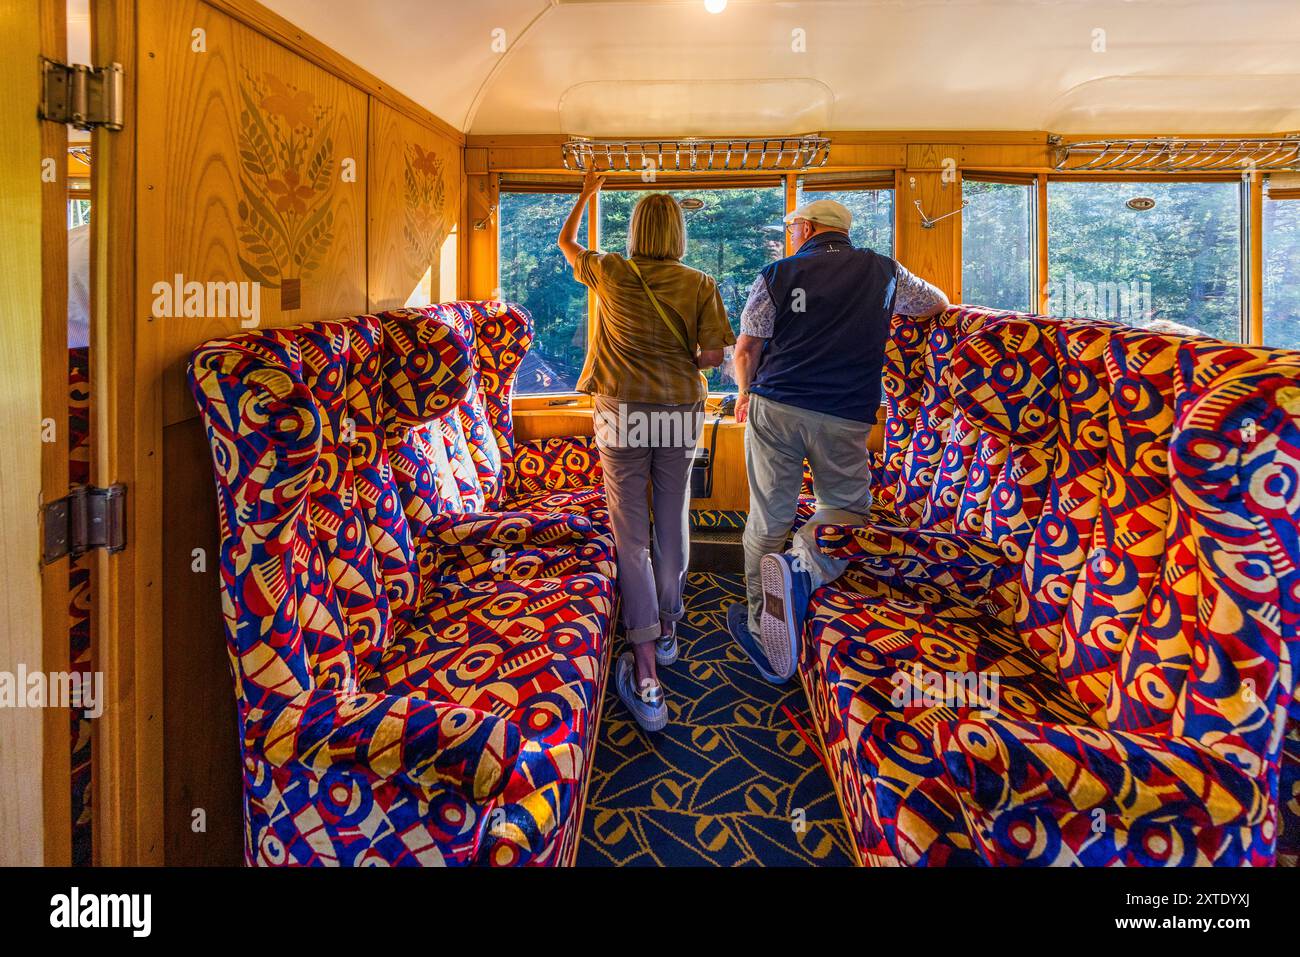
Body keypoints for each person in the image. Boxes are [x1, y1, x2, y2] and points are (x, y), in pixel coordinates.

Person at [726, 198, 949, 682]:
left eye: (791, 228)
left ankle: (761, 620)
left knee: (769, 513)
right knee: (846, 507)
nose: (790, 235)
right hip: (846, 411)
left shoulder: (776, 274)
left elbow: (747, 345)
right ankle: (803, 567)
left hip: (778, 404)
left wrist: (744, 394)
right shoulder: (884, 270)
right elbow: (937, 303)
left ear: (806, 227)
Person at [558, 170, 735, 731]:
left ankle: (644, 666)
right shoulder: (700, 282)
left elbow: (566, 244)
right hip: (679, 411)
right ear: (679, 233)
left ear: (634, 230)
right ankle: (671, 628)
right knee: (672, 523)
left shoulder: (610, 269)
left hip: (621, 414)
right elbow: (713, 356)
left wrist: (587, 195)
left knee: (631, 537)